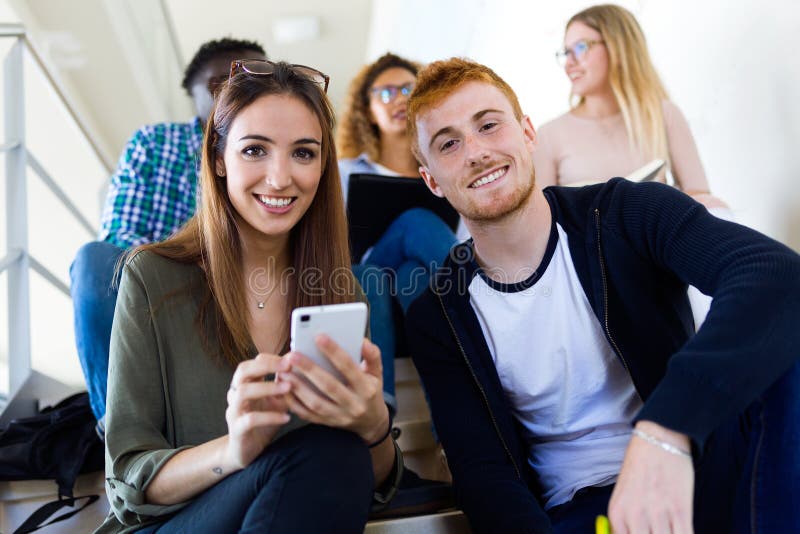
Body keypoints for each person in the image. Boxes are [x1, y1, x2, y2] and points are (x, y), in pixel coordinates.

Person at [404, 57, 800, 533]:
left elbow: (774, 275)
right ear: (431, 180)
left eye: (489, 125)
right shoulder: (440, 313)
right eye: (449, 144)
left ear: (528, 133)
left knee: (780, 339)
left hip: (693, 464)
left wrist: (665, 428)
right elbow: (483, 474)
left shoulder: (625, 212)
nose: (476, 152)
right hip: (585, 514)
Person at [96, 61, 401, 534]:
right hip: (178, 524)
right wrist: (234, 451)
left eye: (303, 153)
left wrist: (374, 424)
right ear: (219, 159)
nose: (280, 179)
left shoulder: (341, 292)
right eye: (255, 150)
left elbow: (371, 479)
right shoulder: (152, 277)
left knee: (336, 454)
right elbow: (129, 479)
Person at [69, 38, 266, 425]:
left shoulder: (274, 152)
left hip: (247, 289)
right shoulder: (154, 142)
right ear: (191, 94)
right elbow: (120, 235)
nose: (234, 89)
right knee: (93, 260)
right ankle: (120, 428)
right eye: (217, 82)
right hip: (160, 286)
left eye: (251, 78)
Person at [337, 53, 459, 411]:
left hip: (419, 284)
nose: (400, 99)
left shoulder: (445, 168)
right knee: (415, 223)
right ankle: (483, 302)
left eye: (409, 89)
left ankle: (442, 428)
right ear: (367, 110)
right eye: (385, 93)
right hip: (365, 274)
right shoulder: (343, 172)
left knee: (415, 275)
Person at [533, 4, 725, 212]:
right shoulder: (548, 136)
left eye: (581, 47)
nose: (569, 63)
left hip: (656, 242)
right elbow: (542, 224)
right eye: (566, 52)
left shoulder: (663, 114)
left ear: (619, 47)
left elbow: (704, 203)